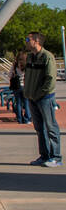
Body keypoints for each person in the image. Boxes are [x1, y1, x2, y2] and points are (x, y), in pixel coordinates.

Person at [23, 32, 62, 166]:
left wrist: (40, 93)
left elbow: (51, 79)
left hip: (45, 98)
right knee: (39, 128)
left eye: (28, 39)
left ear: (36, 41)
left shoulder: (47, 57)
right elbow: (27, 76)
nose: (26, 41)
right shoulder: (29, 57)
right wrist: (28, 93)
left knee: (51, 127)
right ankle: (44, 156)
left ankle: (56, 157)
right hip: (32, 98)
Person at [9, 51, 31, 125]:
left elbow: (9, 75)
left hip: (17, 86)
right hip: (25, 86)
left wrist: (14, 74)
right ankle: (28, 118)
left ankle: (19, 119)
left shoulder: (15, 66)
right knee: (26, 103)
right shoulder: (27, 65)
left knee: (18, 103)